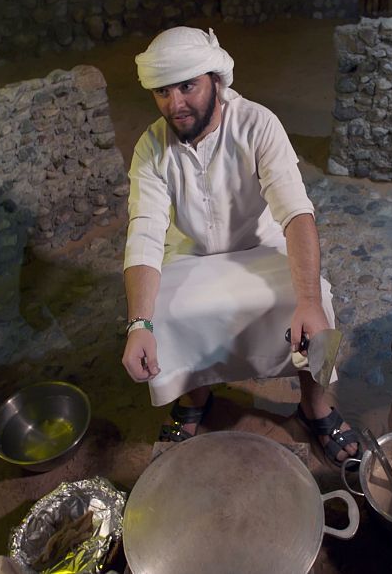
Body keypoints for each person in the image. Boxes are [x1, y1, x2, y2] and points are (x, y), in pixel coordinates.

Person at [120, 26, 361, 466]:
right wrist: (138, 323)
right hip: (189, 258)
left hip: (259, 249)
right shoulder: (150, 148)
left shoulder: (258, 124)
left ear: (216, 79)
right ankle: (194, 397)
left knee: (320, 306)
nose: (175, 104)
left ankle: (316, 405)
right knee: (161, 315)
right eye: (162, 91)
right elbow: (145, 233)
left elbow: (296, 213)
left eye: (187, 86)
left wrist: (307, 301)